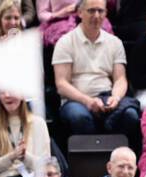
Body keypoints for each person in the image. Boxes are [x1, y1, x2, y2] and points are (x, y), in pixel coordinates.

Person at [51, 0, 140, 141]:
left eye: (101, 11)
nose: (97, 15)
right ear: (80, 13)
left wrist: (115, 98)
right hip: (76, 100)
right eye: (91, 11)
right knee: (79, 117)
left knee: (130, 114)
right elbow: (62, 84)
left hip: (107, 96)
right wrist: (88, 101)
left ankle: (118, 157)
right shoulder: (65, 42)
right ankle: (91, 161)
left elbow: (120, 79)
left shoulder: (114, 42)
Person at [0, 90, 51, 177]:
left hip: (35, 175)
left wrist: (25, 157)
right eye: (2, 92)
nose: (7, 95)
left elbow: (46, 164)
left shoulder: (38, 123)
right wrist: (12, 157)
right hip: (8, 176)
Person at [39, 0, 115, 48]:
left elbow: (110, 5)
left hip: (90, 16)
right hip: (61, 21)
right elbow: (42, 14)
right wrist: (60, 13)